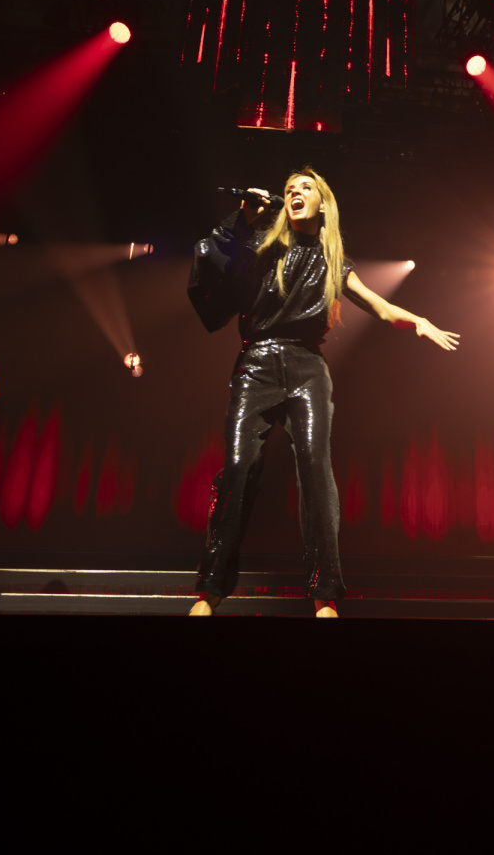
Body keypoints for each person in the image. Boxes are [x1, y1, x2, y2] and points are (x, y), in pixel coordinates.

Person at [186, 168, 459, 618]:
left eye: (305, 188)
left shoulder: (335, 262)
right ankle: (210, 589)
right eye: (289, 189)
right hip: (256, 364)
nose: (295, 193)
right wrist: (244, 218)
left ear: (322, 203)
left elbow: (380, 306)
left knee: (315, 469)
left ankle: (325, 593)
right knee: (238, 468)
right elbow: (220, 260)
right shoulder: (265, 246)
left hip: (307, 367)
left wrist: (419, 321)